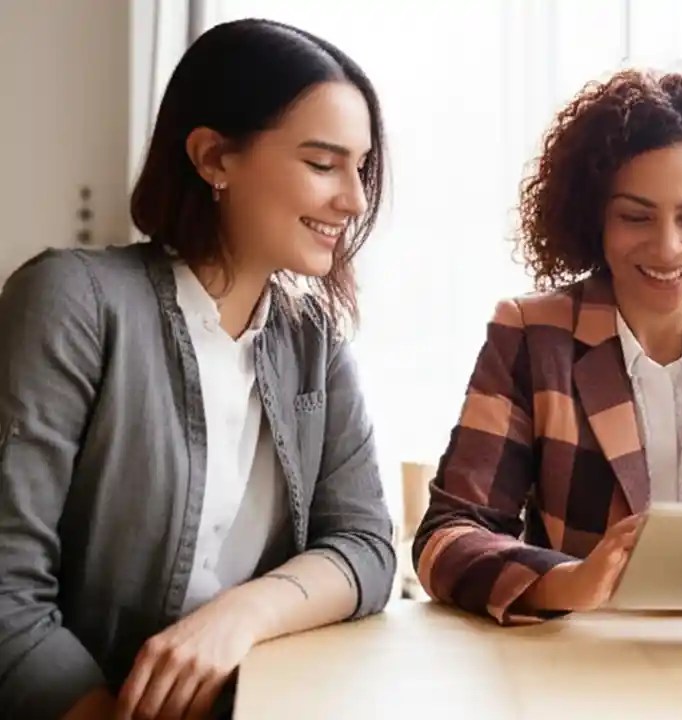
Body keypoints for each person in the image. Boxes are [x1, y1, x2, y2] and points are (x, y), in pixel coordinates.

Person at [0, 19, 395, 720]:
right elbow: (6, 588)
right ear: (214, 158)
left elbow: (366, 546)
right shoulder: (72, 302)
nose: (356, 199)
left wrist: (239, 617)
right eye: (322, 163)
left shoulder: (314, 343)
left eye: (359, 167)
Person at [414, 69, 682, 624]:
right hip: (577, 664)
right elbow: (446, 539)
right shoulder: (531, 334)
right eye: (635, 217)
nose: (667, 247)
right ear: (595, 216)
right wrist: (567, 582)